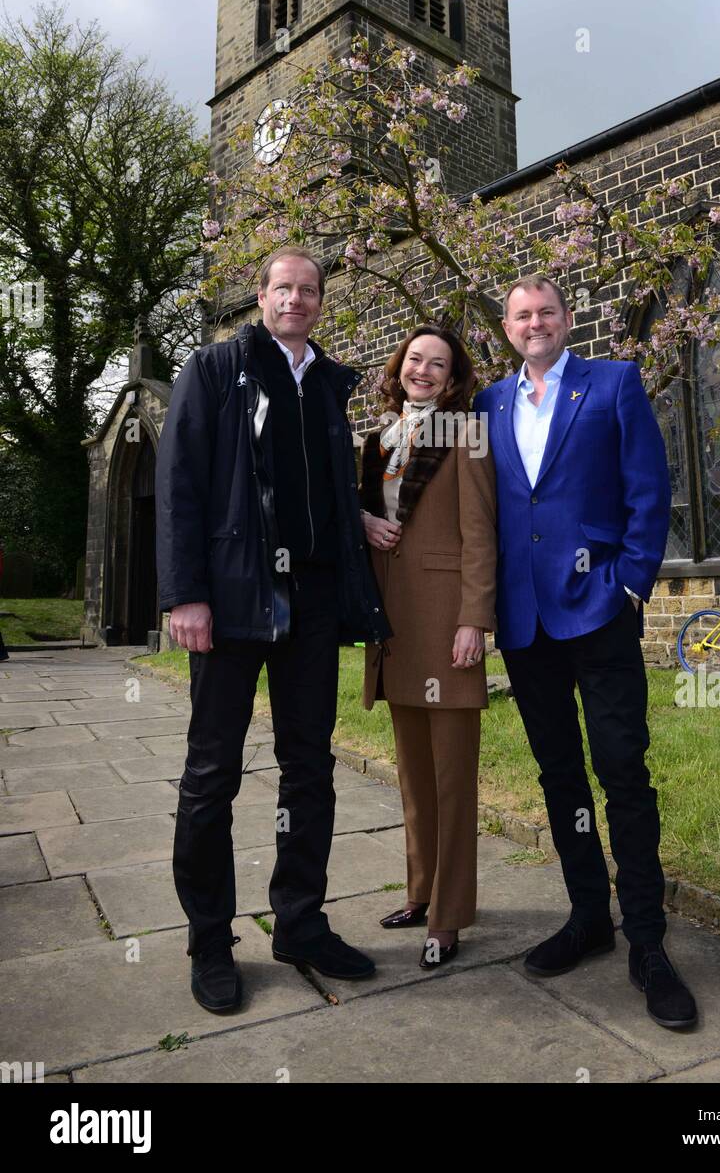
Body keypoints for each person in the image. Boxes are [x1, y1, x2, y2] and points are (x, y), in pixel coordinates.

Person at [155, 247, 391, 1014]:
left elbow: (322, 486)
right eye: (282, 288)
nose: (295, 299)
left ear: (320, 301)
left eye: (308, 289)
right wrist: (185, 594)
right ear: (260, 297)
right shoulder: (215, 368)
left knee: (309, 767)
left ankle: (300, 923)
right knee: (211, 773)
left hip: (312, 601)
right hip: (232, 600)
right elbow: (179, 482)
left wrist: (354, 524)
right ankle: (209, 941)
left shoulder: (325, 383)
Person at [474, 272, 697, 1029]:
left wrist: (630, 583)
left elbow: (648, 489)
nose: (534, 323)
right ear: (508, 328)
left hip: (599, 609)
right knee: (559, 774)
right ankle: (587, 916)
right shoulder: (487, 405)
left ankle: (647, 941)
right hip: (525, 619)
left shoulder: (613, 384)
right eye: (521, 315)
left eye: (546, 311)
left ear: (566, 319)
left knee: (621, 769)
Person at [359, 325, 497, 968]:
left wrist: (474, 620)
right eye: (415, 358)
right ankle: (420, 891)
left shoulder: (468, 433)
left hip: (445, 622)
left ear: (452, 377)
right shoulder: (379, 439)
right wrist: (364, 520)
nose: (423, 370)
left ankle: (448, 915)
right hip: (393, 621)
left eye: (438, 364)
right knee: (413, 775)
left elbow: (481, 533)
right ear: (400, 366)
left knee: (451, 779)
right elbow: (364, 516)